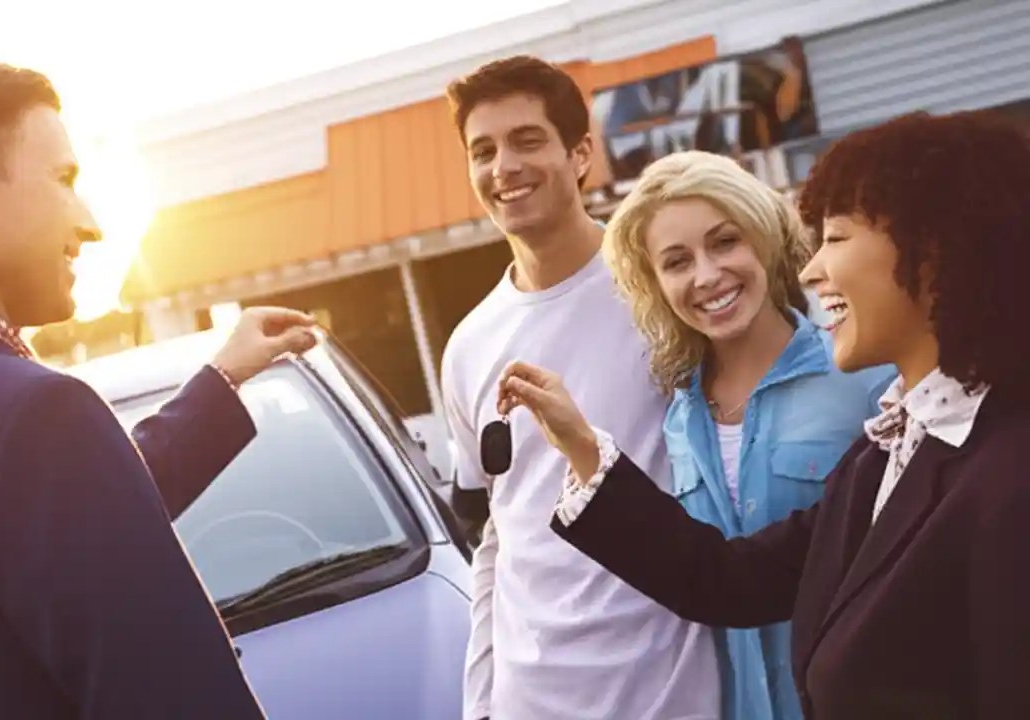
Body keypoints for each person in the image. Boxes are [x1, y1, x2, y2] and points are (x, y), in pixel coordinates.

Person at [0, 63, 316, 720]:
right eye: (64, 180)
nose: (91, 225)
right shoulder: (30, 414)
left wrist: (222, 378)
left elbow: (68, 527)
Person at [498, 110, 1030, 719]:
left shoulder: (1011, 477)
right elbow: (732, 580)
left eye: (836, 237)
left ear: (932, 249)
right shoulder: (882, 453)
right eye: (675, 261)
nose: (811, 268)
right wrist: (582, 448)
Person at [519, 148, 894, 720]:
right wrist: (581, 449)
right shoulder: (679, 418)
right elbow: (704, 575)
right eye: (676, 261)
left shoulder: (866, 381)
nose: (707, 275)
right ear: (655, 284)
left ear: (763, 241)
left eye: (725, 242)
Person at [440, 55, 720, 720]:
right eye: (484, 150)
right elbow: (496, 538)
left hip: (670, 690)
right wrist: (480, 704)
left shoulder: (663, 290)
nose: (504, 166)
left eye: (527, 140)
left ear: (581, 153)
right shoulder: (467, 348)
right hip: (531, 701)